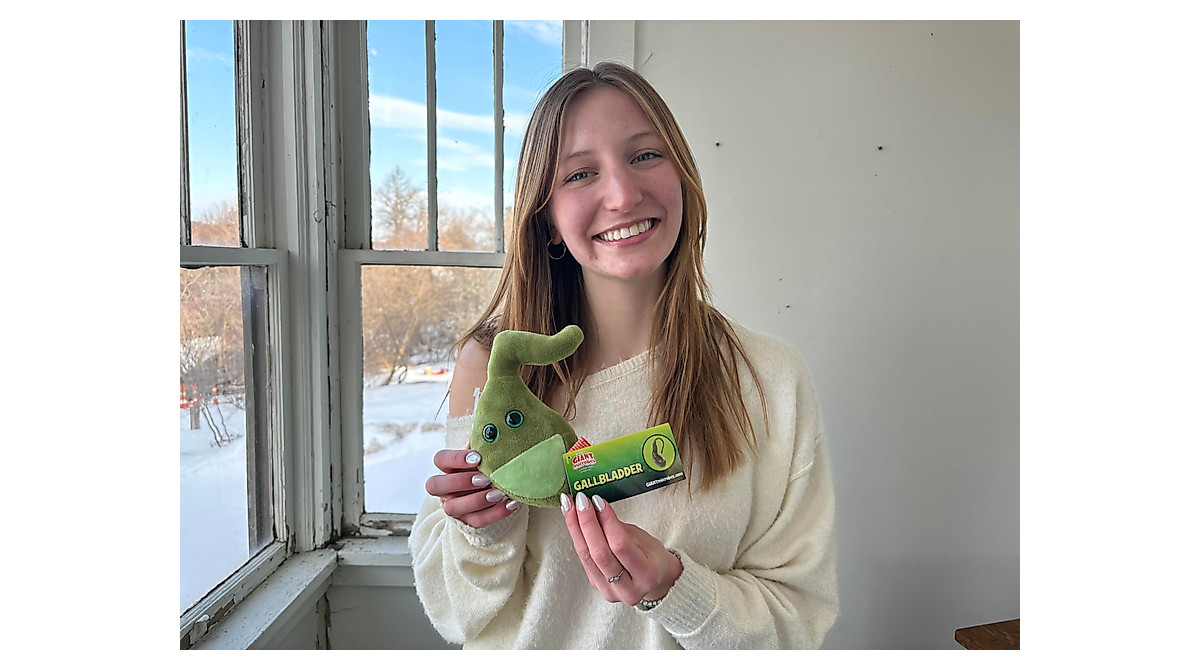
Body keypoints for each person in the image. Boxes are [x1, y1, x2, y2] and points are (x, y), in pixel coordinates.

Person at [410, 61, 837, 649]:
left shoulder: (770, 381)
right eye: (581, 174)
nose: (621, 193)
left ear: (683, 176)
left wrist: (676, 589)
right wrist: (483, 531)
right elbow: (456, 616)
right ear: (549, 220)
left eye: (644, 156)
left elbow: (798, 622)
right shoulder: (493, 372)